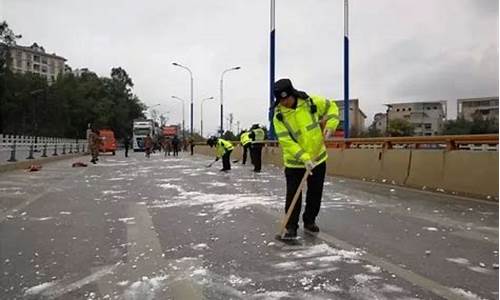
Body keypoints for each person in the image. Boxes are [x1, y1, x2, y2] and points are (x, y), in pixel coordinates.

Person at [272, 78, 339, 239]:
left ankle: (309, 220)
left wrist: (331, 126)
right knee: (293, 194)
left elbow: (332, 108)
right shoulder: (279, 116)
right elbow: (286, 141)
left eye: (286, 99)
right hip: (295, 163)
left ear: (292, 93)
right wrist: (304, 158)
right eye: (281, 100)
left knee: (315, 193)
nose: (285, 103)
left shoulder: (311, 103)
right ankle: (291, 227)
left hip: (318, 158)